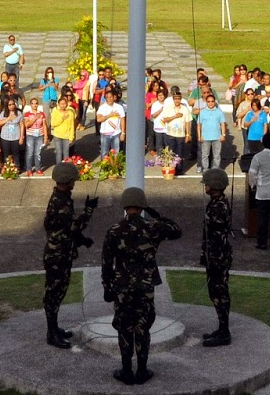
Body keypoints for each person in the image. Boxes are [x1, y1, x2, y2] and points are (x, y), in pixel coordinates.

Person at [101, 186, 182, 385]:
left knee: (124, 327)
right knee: (143, 328)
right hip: (145, 287)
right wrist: (156, 214)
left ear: (125, 205)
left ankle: (126, 370)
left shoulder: (114, 230)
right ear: (142, 204)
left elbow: (106, 263)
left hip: (122, 287)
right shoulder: (153, 227)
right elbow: (176, 231)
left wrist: (107, 287)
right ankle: (143, 370)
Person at [42, 162, 98, 348]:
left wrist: (82, 241)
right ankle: (52, 334)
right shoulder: (60, 201)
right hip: (57, 256)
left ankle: (54, 329)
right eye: (73, 179)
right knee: (54, 295)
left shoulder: (63, 198)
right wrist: (89, 210)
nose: (75, 181)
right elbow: (75, 225)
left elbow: (66, 229)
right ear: (67, 180)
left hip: (61, 253)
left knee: (58, 293)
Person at [200, 167, 233, 347]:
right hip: (214, 254)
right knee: (215, 292)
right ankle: (221, 328)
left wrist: (213, 259)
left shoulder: (219, 206)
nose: (205, 186)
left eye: (207, 183)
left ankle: (224, 331)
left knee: (219, 292)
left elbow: (216, 235)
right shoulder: (216, 203)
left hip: (218, 256)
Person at [196, 93, 227, 171]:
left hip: (217, 137)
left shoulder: (219, 112)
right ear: (206, 102)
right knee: (205, 155)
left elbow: (222, 124)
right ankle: (205, 169)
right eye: (209, 101)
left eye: (212, 101)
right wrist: (199, 136)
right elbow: (199, 125)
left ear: (214, 102)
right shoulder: (202, 112)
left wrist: (223, 134)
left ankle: (216, 169)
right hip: (205, 137)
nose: (210, 103)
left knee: (217, 155)